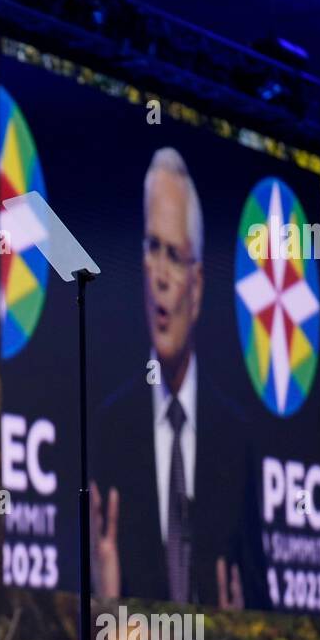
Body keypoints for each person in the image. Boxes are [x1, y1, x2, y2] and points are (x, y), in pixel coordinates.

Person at [89, 147, 257, 609]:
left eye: (176, 256)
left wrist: (236, 627)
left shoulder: (236, 435)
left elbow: (256, 587)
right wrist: (104, 602)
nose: (160, 275)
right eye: (152, 249)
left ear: (197, 287)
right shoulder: (110, 426)